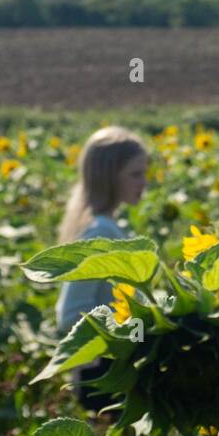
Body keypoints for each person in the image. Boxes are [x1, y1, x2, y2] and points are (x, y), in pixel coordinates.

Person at [54, 126, 148, 412]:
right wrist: (122, 337)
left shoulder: (106, 227)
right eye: (135, 174)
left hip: (110, 369)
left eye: (144, 173)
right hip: (105, 372)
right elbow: (70, 315)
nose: (143, 182)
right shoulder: (99, 233)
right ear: (109, 177)